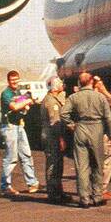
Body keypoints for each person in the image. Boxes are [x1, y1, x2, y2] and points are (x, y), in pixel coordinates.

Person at [60, 72, 111, 208]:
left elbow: (63, 114)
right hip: (96, 130)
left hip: (80, 129)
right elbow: (108, 117)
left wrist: (72, 125)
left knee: (82, 166)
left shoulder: (74, 97)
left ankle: (84, 199)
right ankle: (97, 197)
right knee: (98, 164)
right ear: (91, 82)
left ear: (80, 83)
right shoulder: (100, 97)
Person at [0, 71, 40, 195]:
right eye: (12, 80)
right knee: (11, 158)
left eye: (17, 79)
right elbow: (14, 107)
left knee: (26, 154)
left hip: (19, 125)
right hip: (9, 127)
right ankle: (5, 186)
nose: (15, 82)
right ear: (8, 81)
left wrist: (26, 101)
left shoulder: (17, 92)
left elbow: (22, 103)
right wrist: (27, 102)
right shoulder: (6, 94)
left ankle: (32, 183)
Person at [40, 76, 68, 204]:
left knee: (58, 165)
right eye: (61, 83)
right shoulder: (51, 102)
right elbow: (54, 122)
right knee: (53, 164)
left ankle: (58, 192)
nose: (63, 85)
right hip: (52, 137)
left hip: (52, 135)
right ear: (55, 87)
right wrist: (61, 139)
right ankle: (53, 193)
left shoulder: (53, 98)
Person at [92, 75, 111, 198]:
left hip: (90, 133)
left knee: (92, 162)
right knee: (107, 161)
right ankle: (101, 189)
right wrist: (104, 90)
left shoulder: (84, 97)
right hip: (103, 134)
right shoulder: (100, 99)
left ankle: (91, 188)